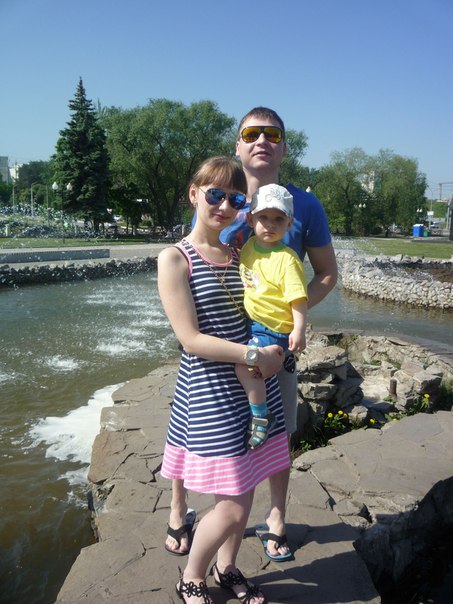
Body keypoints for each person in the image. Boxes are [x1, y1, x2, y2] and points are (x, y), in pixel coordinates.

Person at [165, 107, 337, 563]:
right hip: (216, 339)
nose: (262, 140)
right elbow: (195, 260)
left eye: (272, 134)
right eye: (252, 133)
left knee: (278, 430)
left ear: (284, 147)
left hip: (272, 342)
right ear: (238, 144)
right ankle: (179, 506)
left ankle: (274, 517)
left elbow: (326, 274)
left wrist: (288, 321)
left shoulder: (305, 205)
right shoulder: (226, 197)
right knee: (190, 420)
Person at [158, 156, 291, 604]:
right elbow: (190, 340)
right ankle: (191, 576)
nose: (224, 206)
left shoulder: (240, 254)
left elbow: (269, 306)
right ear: (194, 194)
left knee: (244, 490)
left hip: (254, 386)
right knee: (231, 505)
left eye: (235, 199)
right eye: (215, 195)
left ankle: (226, 567)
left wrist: (282, 344)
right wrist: (256, 355)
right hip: (212, 391)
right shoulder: (175, 258)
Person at [236, 183, 308, 450]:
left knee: (246, 366)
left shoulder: (287, 259)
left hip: (272, 328)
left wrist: (298, 330)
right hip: (253, 325)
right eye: (263, 217)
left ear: (289, 224)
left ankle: (261, 416)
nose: (270, 224)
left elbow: (298, 298)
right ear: (251, 220)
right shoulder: (248, 247)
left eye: (279, 219)